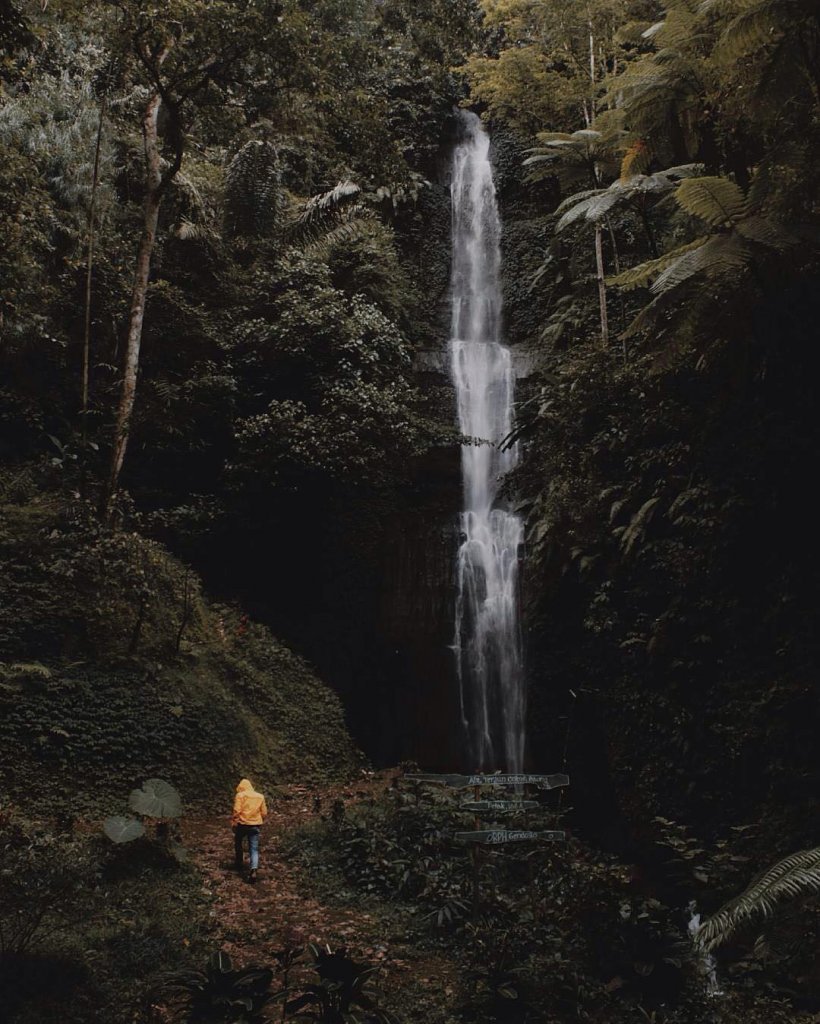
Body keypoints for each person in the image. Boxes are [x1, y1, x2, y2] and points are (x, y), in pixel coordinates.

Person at [231, 777, 268, 882]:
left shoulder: (240, 795)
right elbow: (264, 813)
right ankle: (253, 870)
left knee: (238, 842)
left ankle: (239, 862)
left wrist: (234, 822)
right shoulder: (260, 796)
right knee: (254, 848)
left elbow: (237, 810)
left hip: (242, 824)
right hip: (255, 825)